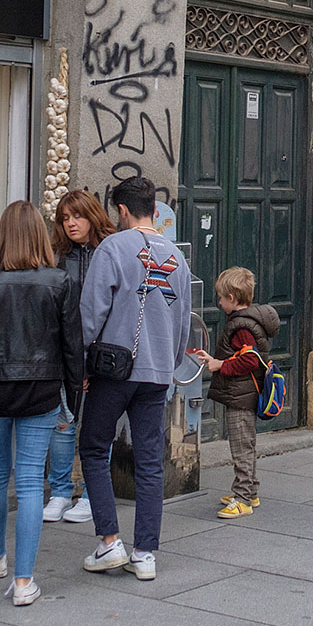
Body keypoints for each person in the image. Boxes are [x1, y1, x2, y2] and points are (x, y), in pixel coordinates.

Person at [0, 201, 84, 606]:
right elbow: (72, 347)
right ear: (39, 235)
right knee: (31, 480)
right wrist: (74, 397)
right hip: (41, 388)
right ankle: (24, 582)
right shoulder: (60, 281)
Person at [79, 176, 193, 582]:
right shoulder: (177, 258)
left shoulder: (113, 247)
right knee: (149, 462)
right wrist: (169, 364)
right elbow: (184, 324)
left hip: (114, 368)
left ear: (123, 211)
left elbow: (91, 312)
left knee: (93, 448)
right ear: (153, 209)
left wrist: (84, 362)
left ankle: (110, 541)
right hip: (158, 371)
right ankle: (145, 553)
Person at [44, 190, 117, 525]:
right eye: (65, 217)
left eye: (77, 216)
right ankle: (60, 491)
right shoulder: (58, 253)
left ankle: (91, 494)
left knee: (98, 426)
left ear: (93, 215)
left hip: (103, 349)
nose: (71, 223)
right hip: (66, 349)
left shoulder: (111, 248)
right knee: (63, 422)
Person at [193, 266, 281, 519]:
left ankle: (243, 499)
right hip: (244, 393)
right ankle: (250, 491)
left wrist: (221, 365)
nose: (219, 302)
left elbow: (250, 360)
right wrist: (215, 358)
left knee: (241, 447)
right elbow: (241, 355)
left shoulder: (242, 326)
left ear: (232, 298)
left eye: (221, 298)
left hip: (241, 397)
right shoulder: (247, 322)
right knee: (247, 444)